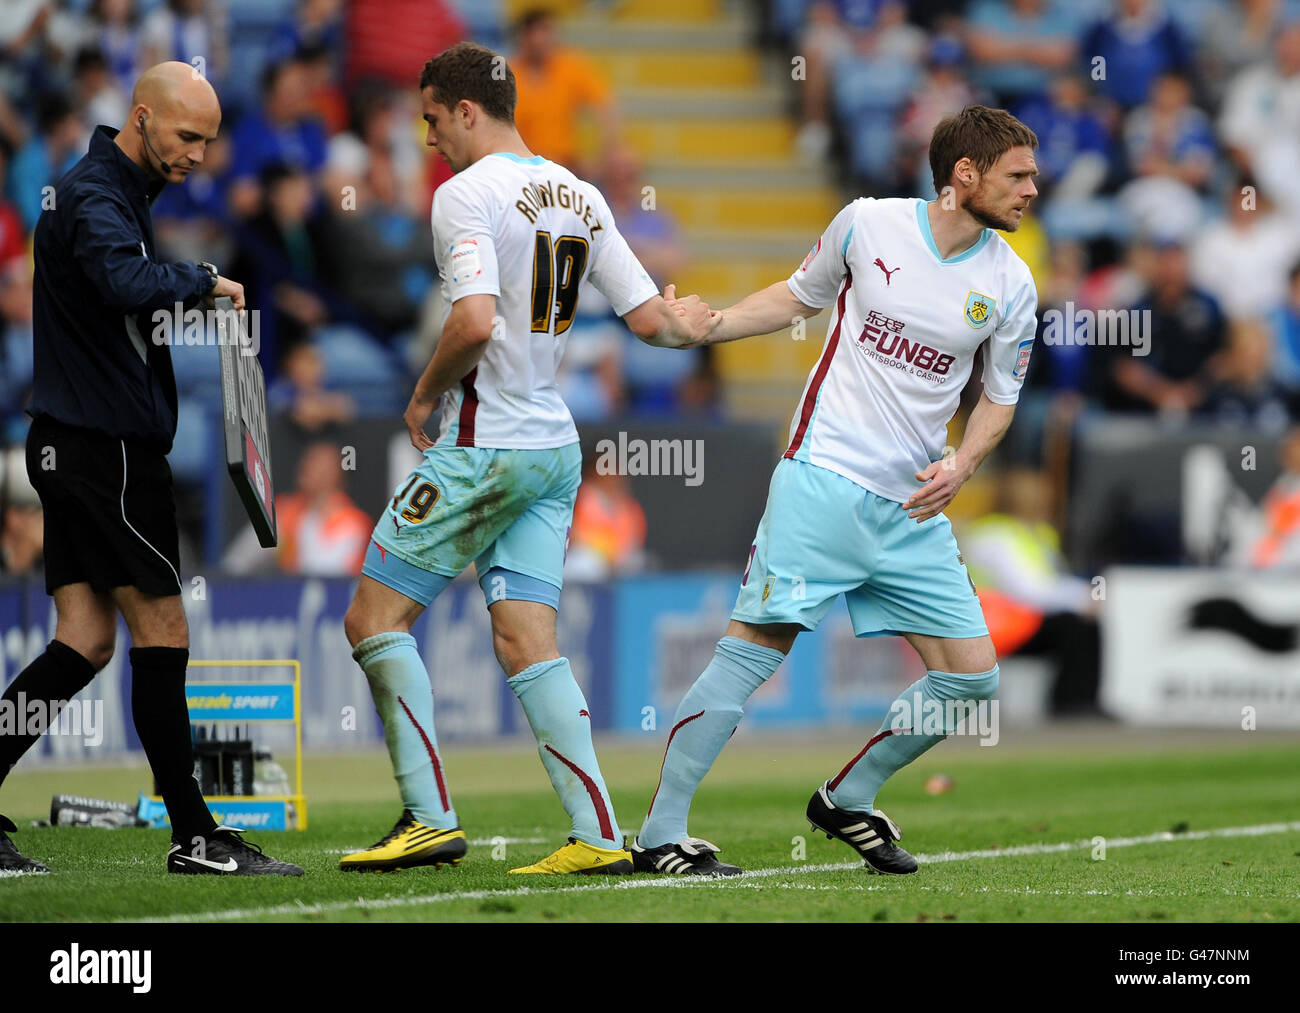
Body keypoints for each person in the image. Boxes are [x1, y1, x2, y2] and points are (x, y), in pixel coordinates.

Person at [634, 105, 1041, 876]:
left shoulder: (1011, 282)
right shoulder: (868, 225)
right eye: (1017, 175)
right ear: (965, 175)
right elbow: (796, 297)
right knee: (754, 649)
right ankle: (661, 834)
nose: (1031, 189)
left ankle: (848, 795)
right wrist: (709, 324)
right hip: (824, 478)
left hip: (915, 505)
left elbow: (1001, 396)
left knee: (971, 673)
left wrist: (964, 465)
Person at [339, 42, 715, 875]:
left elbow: (472, 323)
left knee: (372, 618)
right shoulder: (578, 193)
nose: (428, 136)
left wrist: (419, 394)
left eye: (433, 118)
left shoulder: (463, 195)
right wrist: (721, 319)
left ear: (466, 110)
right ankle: (596, 833)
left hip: (485, 445)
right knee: (526, 639)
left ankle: (428, 816)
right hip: (554, 447)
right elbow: (654, 320)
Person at [0, 62, 301, 876]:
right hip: (109, 453)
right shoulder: (98, 194)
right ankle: (197, 836)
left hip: (70, 443)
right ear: (141, 118)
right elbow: (124, 281)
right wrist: (203, 280)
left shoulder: (109, 190)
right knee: (163, 632)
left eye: (208, 140)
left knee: (85, 639)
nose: (199, 155)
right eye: (186, 136)